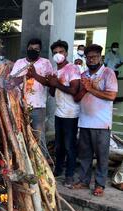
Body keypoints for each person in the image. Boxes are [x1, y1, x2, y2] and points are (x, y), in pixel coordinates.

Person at [73, 44, 118, 197]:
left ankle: (100, 185)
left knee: (101, 156)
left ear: (100, 57)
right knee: (84, 155)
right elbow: (77, 97)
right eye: (88, 57)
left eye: (94, 57)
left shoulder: (108, 73)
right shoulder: (84, 74)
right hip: (84, 121)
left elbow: (111, 96)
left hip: (101, 123)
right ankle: (84, 181)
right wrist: (85, 89)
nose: (91, 60)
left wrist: (91, 89)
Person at [9, 38, 54, 158]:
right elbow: (11, 82)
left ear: (40, 51)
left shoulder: (45, 63)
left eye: (36, 49)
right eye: (31, 49)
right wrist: (26, 76)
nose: (33, 51)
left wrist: (35, 75)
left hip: (38, 106)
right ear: (27, 49)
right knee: (20, 134)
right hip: (19, 105)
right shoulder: (19, 63)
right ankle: (25, 162)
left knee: (39, 137)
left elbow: (50, 83)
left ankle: (43, 163)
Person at [47, 40, 81, 188]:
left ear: (66, 53)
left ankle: (69, 175)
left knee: (69, 145)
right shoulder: (55, 71)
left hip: (71, 114)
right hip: (59, 113)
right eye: (55, 53)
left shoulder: (72, 69)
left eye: (60, 52)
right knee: (59, 145)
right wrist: (52, 84)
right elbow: (52, 93)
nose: (57, 55)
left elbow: (74, 91)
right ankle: (58, 169)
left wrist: (57, 84)